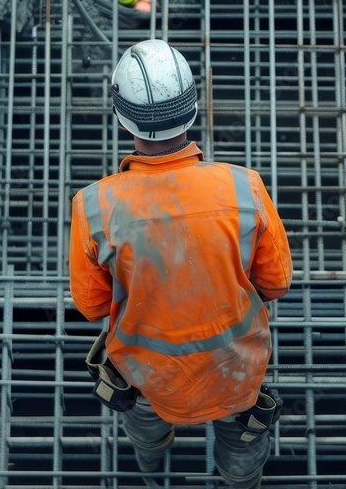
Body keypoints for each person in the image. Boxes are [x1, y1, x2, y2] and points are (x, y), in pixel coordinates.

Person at [69, 39, 293, 488]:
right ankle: (238, 481)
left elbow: (92, 306)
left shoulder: (94, 205)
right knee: (243, 451)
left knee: (147, 436)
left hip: (147, 377)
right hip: (235, 373)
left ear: (121, 116)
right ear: (192, 107)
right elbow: (275, 282)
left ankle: (154, 472)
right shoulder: (243, 187)